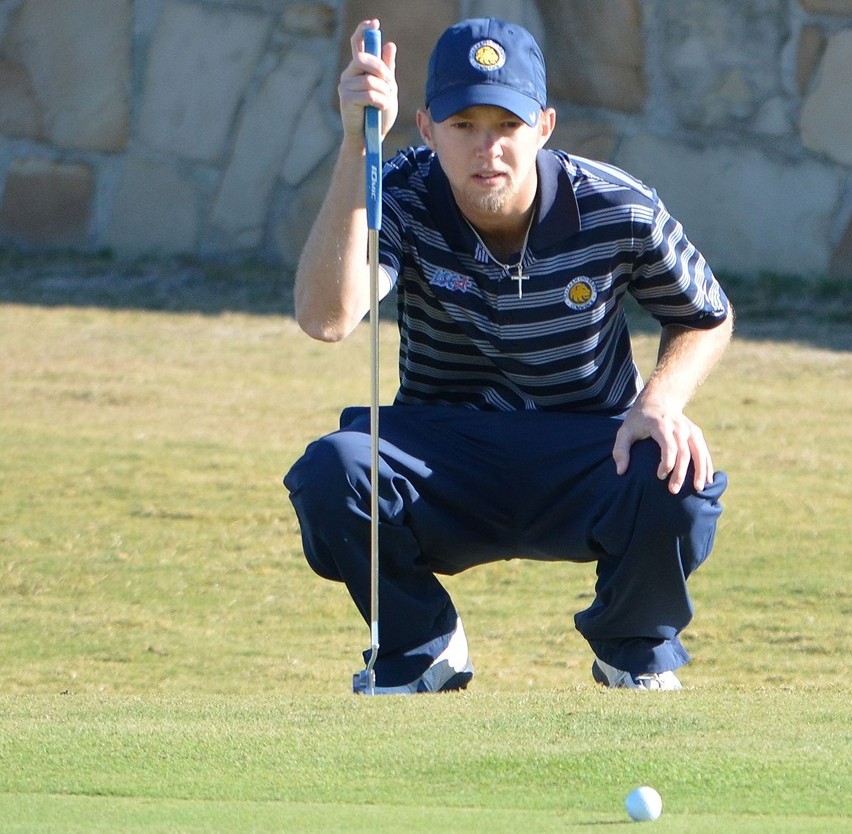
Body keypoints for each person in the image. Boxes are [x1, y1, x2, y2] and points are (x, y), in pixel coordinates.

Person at [284, 17, 733, 693]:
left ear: (544, 127)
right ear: (427, 126)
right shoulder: (399, 196)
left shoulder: (618, 206)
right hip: (445, 454)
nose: (486, 148)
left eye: (507, 125)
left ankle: (629, 646)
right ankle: (418, 646)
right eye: (464, 124)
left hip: (584, 449)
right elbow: (327, 318)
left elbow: (704, 316)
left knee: (676, 471)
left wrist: (660, 402)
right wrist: (357, 147)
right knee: (333, 470)